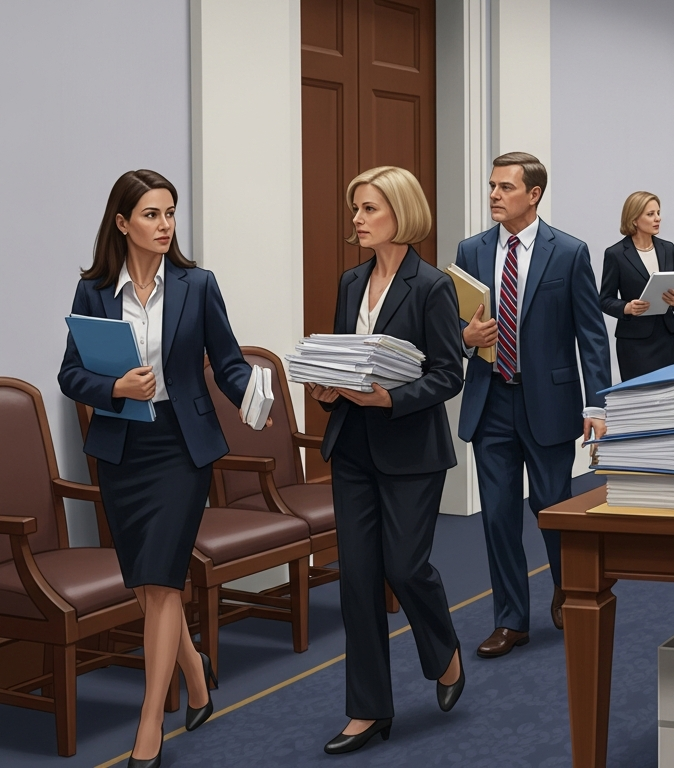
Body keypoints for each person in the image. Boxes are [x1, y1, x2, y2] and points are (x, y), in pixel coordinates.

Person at [59, 170, 262, 768]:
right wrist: (114, 388)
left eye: (170, 213)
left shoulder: (198, 285)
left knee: (164, 579)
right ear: (123, 223)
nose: (165, 224)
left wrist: (251, 394)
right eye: (152, 214)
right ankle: (195, 673)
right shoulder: (94, 291)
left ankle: (150, 721)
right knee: (147, 585)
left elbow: (227, 361)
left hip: (180, 447)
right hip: (123, 448)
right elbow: (71, 374)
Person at [306, 166, 465, 754]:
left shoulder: (432, 286)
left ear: (401, 212)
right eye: (356, 209)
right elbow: (345, 358)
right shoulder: (351, 281)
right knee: (357, 580)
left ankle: (444, 651)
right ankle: (368, 710)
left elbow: (449, 374)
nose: (357, 219)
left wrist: (391, 398)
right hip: (352, 447)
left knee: (404, 566)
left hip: (411, 450)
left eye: (368, 208)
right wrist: (328, 387)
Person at [455, 152, 612, 658]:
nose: (494, 195)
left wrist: (597, 405)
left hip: (549, 400)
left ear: (534, 194)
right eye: (492, 186)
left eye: (505, 187)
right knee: (498, 516)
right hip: (490, 400)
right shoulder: (471, 250)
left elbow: (591, 335)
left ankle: (567, 587)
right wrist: (464, 338)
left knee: (551, 506)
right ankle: (510, 620)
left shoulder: (568, 251)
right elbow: (455, 323)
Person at [599, 191, 674, 380]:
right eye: (650, 214)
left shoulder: (668, 249)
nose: (658, 218)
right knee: (638, 393)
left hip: (664, 337)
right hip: (633, 342)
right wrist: (627, 308)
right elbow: (604, 300)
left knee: (665, 391)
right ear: (634, 220)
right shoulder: (615, 254)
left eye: (658, 213)